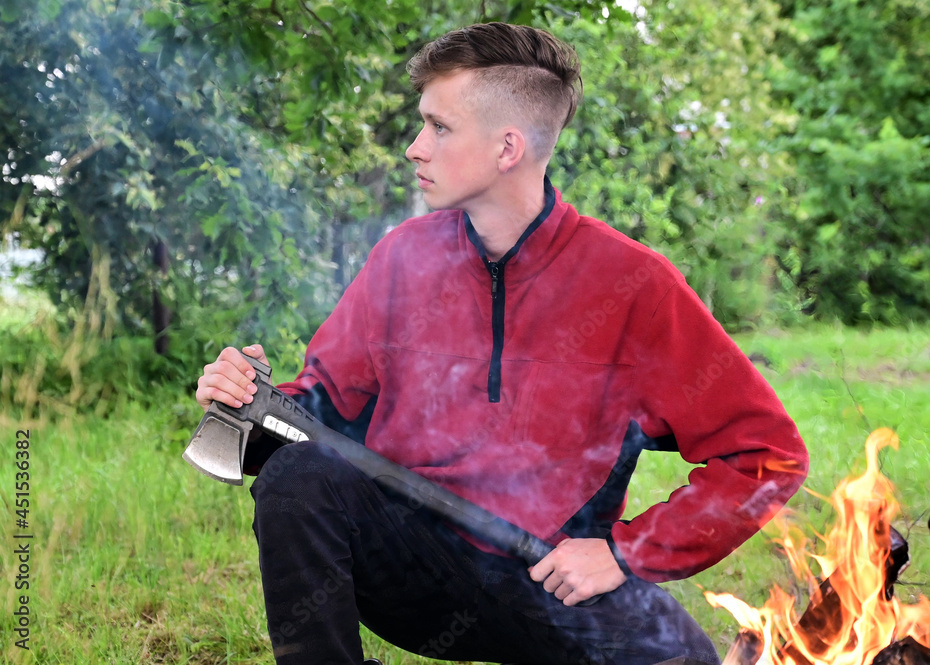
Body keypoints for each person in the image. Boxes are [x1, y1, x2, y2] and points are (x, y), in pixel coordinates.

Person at [196, 22, 808, 665]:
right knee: (300, 475)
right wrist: (252, 404)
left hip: (553, 581)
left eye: (439, 127)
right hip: (411, 566)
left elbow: (768, 454)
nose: (414, 148)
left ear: (507, 148)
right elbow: (320, 414)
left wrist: (626, 552)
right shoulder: (401, 260)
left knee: (685, 661)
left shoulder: (634, 286)